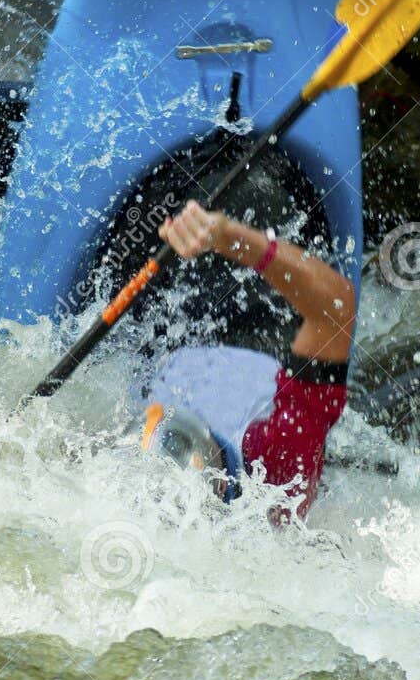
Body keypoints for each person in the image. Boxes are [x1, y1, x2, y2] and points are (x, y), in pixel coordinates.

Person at [140, 200, 354, 519]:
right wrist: (230, 238)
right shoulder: (277, 478)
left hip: (168, 326)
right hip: (267, 322)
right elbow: (335, 309)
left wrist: (223, 236)